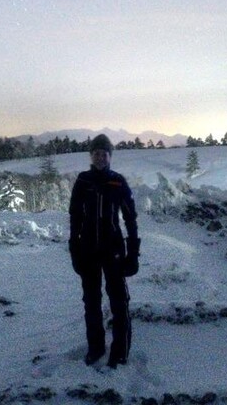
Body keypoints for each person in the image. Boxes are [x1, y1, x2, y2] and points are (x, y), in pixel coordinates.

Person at [68, 133, 139, 367]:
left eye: (104, 154)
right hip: (88, 250)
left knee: (119, 302)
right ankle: (95, 348)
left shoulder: (118, 182)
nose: (100, 158)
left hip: (113, 250)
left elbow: (130, 218)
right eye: (96, 153)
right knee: (91, 302)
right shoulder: (83, 181)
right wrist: (74, 248)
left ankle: (120, 352)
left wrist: (133, 252)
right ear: (91, 156)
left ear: (110, 157)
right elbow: (75, 216)